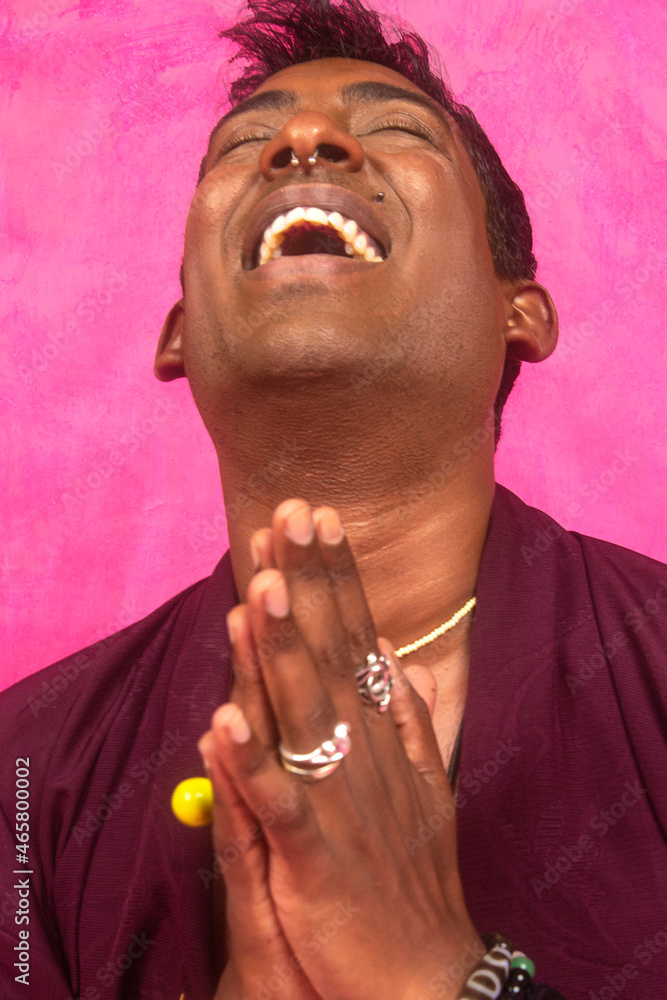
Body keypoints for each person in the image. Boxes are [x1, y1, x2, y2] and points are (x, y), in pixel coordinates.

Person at [1, 0, 665, 998]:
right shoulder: (23, 771)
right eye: (246, 145)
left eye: (393, 131)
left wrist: (450, 976)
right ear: (179, 332)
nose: (305, 142)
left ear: (516, 309)